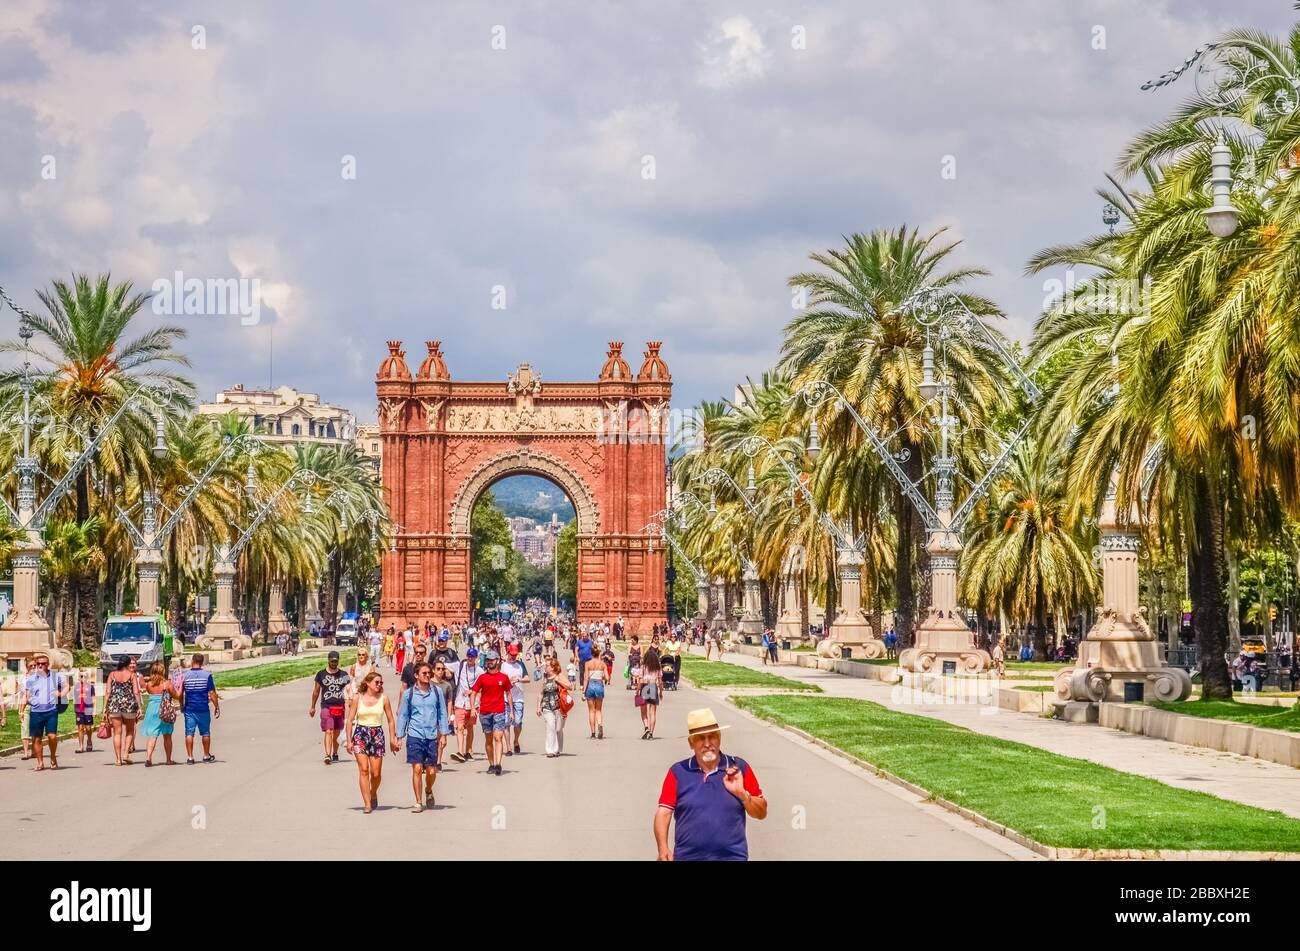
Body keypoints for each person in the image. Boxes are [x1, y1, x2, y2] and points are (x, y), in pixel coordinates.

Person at [654, 708, 767, 861]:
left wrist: (742, 794)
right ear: (691, 743)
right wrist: (663, 848)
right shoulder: (678, 771)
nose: (707, 743)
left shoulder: (739, 767)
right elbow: (664, 813)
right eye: (700, 738)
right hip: (687, 857)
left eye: (712, 736)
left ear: (719, 738)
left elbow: (761, 813)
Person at [396, 661, 452, 812]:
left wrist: (444, 734)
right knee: (417, 768)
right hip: (415, 734)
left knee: (431, 771)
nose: (428, 676)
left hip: (432, 735)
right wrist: (399, 736)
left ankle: (428, 789)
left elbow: (442, 713)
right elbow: (403, 715)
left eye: (429, 673)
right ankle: (418, 802)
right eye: (424, 673)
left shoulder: (436, 692)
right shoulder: (409, 694)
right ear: (416, 675)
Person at [344, 671, 398, 814]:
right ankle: (367, 803)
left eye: (381, 683)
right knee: (363, 770)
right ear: (367, 683)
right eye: (376, 682)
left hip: (377, 735)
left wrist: (393, 739)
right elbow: (349, 720)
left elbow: (391, 720)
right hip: (361, 734)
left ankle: (373, 792)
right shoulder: (357, 698)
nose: (379, 685)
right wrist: (349, 740)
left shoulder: (384, 699)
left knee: (375, 774)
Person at [471, 649, 513, 774]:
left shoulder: (503, 678)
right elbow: (473, 692)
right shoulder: (482, 677)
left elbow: (509, 694)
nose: (489, 662)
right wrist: (473, 707)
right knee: (488, 740)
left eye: (492, 660)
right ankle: (491, 764)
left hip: (499, 711)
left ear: (497, 661)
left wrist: (511, 711)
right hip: (485, 712)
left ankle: (498, 764)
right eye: (488, 660)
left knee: (498, 737)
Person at [23, 652, 68, 771]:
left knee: (52, 736)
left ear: (48, 664)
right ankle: (40, 762)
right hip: (36, 711)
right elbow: (27, 693)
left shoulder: (55, 676)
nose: (40, 666)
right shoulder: (31, 678)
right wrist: (27, 703)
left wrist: (61, 694)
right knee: (36, 738)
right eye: (38, 664)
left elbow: (66, 686)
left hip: (51, 711)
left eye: (43, 664)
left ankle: (53, 757)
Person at [310, 650, 352, 764]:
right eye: (332, 661)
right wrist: (312, 706)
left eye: (336, 661)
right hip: (326, 706)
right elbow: (316, 691)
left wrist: (350, 699)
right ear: (328, 660)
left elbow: (348, 688)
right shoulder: (321, 674)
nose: (334, 663)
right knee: (329, 730)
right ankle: (327, 755)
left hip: (339, 706)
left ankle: (335, 752)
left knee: (337, 731)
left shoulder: (343, 675)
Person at [140, 661, 181, 766]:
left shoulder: (149, 685)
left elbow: (150, 693)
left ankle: (148, 758)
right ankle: (168, 759)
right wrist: (181, 686)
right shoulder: (167, 684)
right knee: (167, 735)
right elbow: (177, 696)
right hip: (165, 710)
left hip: (152, 709)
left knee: (153, 735)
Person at [181, 654, 220, 764]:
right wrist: (216, 706)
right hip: (203, 707)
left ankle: (190, 757)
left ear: (192, 661)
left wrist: (181, 704)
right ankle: (206, 755)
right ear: (202, 662)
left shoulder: (185, 675)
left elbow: (181, 692)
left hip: (190, 708)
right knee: (205, 733)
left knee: (189, 733)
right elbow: (212, 693)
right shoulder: (207, 676)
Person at [104, 655, 142, 767]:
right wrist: (139, 706)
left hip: (114, 706)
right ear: (128, 664)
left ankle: (118, 759)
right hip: (129, 706)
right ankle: (126, 754)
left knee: (117, 732)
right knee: (130, 731)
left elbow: (108, 692)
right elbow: (136, 692)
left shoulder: (112, 675)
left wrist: (104, 708)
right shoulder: (132, 675)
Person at [448, 646, 479, 763]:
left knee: (470, 728)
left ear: (476, 657)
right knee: (459, 727)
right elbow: (443, 664)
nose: (470, 658)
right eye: (469, 656)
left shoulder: (479, 670)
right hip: (460, 702)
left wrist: (473, 691)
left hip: (473, 704)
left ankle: (468, 751)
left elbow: (481, 687)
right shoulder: (459, 666)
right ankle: (460, 752)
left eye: (472, 656)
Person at [537, 656, 571, 757]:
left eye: (547, 666)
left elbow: (569, 686)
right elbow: (541, 693)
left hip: (559, 706)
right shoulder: (545, 679)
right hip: (547, 706)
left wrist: (557, 680)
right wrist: (538, 707)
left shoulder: (559, 676)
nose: (545, 668)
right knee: (550, 727)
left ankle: (558, 749)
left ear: (552, 667)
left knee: (558, 729)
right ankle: (550, 750)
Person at [500, 644, 528, 756]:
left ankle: (516, 740)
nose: (513, 657)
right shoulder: (503, 666)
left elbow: (527, 678)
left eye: (515, 655)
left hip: (518, 697)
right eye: (512, 655)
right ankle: (508, 748)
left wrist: (519, 679)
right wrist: (507, 681)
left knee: (518, 722)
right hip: (505, 698)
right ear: (508, 653)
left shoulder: (520, 664)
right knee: (506, 723)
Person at [639, 651, 664, 739]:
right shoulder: (658, 668)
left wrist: (637, 691)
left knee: (643, 710)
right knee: (652, 712)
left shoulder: (643, 667)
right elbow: (660, 681)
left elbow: (640, 679)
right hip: (653, 687)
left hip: (644, 686)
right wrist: (661, 692)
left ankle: (646, 727)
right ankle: (651, 733)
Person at [583, 647, 607, 739]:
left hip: (590, 685)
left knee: (591, 711)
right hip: (599, 685)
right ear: (599, 654)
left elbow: (586, 678)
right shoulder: (602, 664)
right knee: (598, 710)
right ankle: (600, 724)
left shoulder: (587, 664)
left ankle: (593, 733)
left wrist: (583, 691)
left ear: (591, 653)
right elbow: (607, 678)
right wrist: (602, 677)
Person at [73, 668, 96, 754]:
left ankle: (89, 740)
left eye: (85, 676)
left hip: (88, 709)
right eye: (81, 676)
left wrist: (94, 710)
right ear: (79, 677)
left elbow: (93, 699)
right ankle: (81, 746)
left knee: (88, 728)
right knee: (80, 728)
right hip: (79, 710)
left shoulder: (91, 687)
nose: (83, 678)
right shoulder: (76, 687)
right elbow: (75, 698)